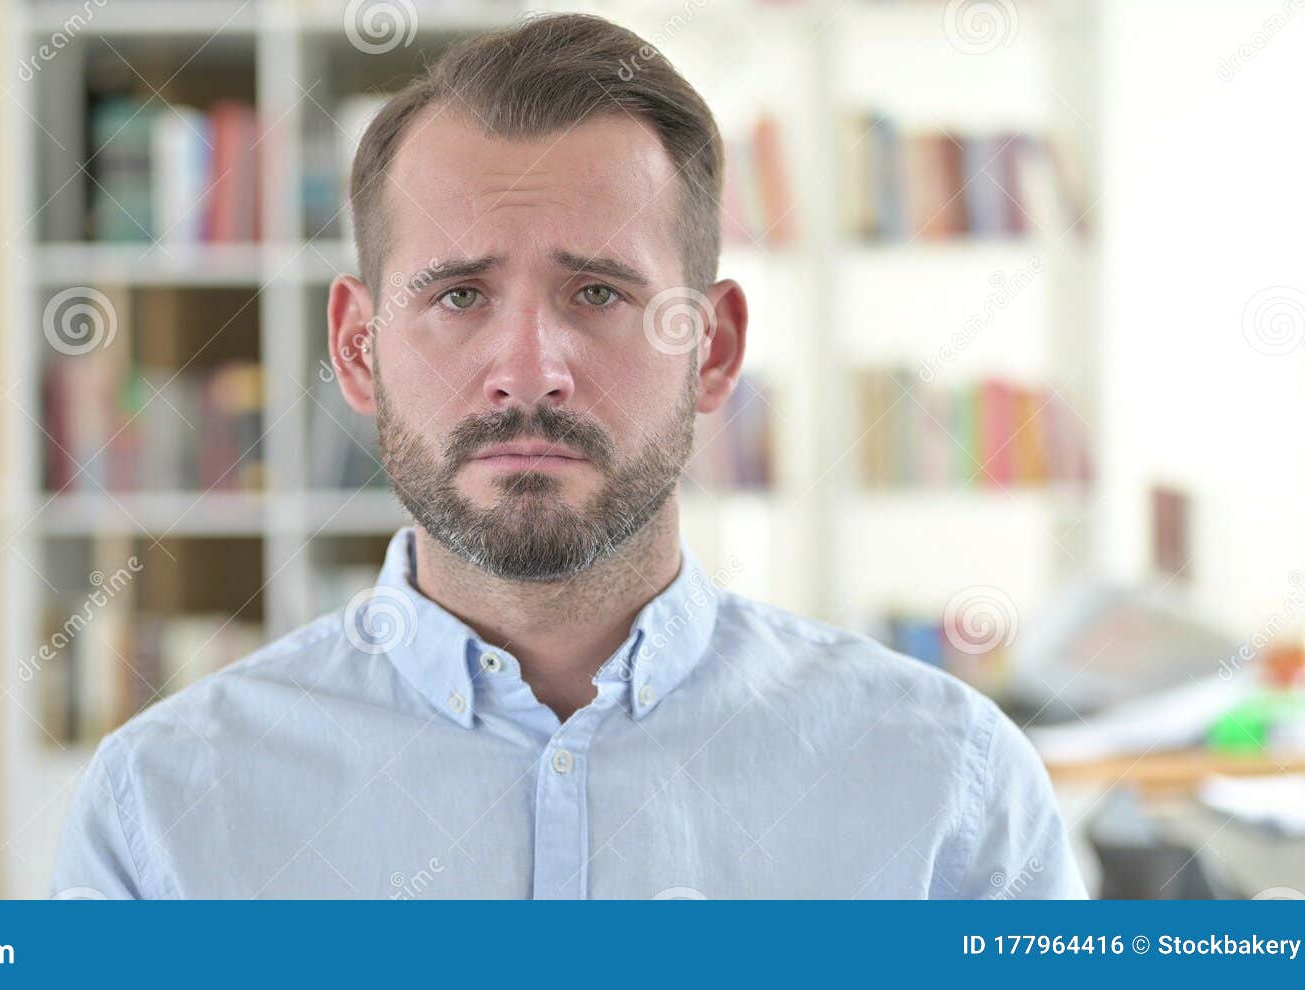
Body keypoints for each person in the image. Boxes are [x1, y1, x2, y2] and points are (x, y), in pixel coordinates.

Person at [52, 12, 1085, 899]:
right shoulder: (165, 810)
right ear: (358, 351)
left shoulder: (949, 784)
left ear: (712, 348)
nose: (528, 372)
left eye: (597, 293)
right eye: (459, 295)